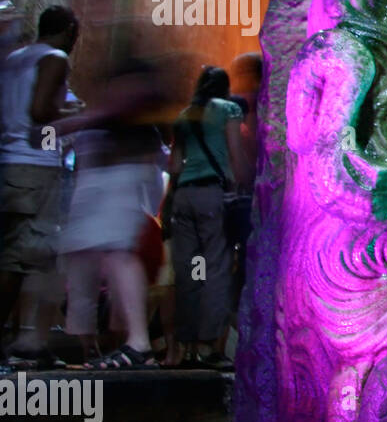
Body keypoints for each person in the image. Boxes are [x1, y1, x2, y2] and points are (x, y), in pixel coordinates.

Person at [55, 57, 167, 369]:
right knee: (88, 258)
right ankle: (103, 347)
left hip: (120, 175)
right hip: (106, 180)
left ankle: (139, 343)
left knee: (118, 254)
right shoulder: (108, 119)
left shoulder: (128, 94)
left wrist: (74, 121)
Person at [0, 5, 80, 367]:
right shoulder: (55, 57)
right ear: (68, 29)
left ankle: (25, 340)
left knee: (19, 256)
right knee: (27, 261)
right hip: (35, 167)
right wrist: (78, 113)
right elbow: (40, 111)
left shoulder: (16, 58)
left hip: (11, 163)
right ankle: (26, 341)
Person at [166, 66, 249, 369]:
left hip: (184, 197)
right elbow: (236, 154)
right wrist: (244, 184)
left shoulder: (184, 115)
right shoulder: (228, 109)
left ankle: (186, 346)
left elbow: (175, 166)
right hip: (213, 196)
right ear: (225, 89)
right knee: (215, 269)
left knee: (189, 272)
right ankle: (210, 347)